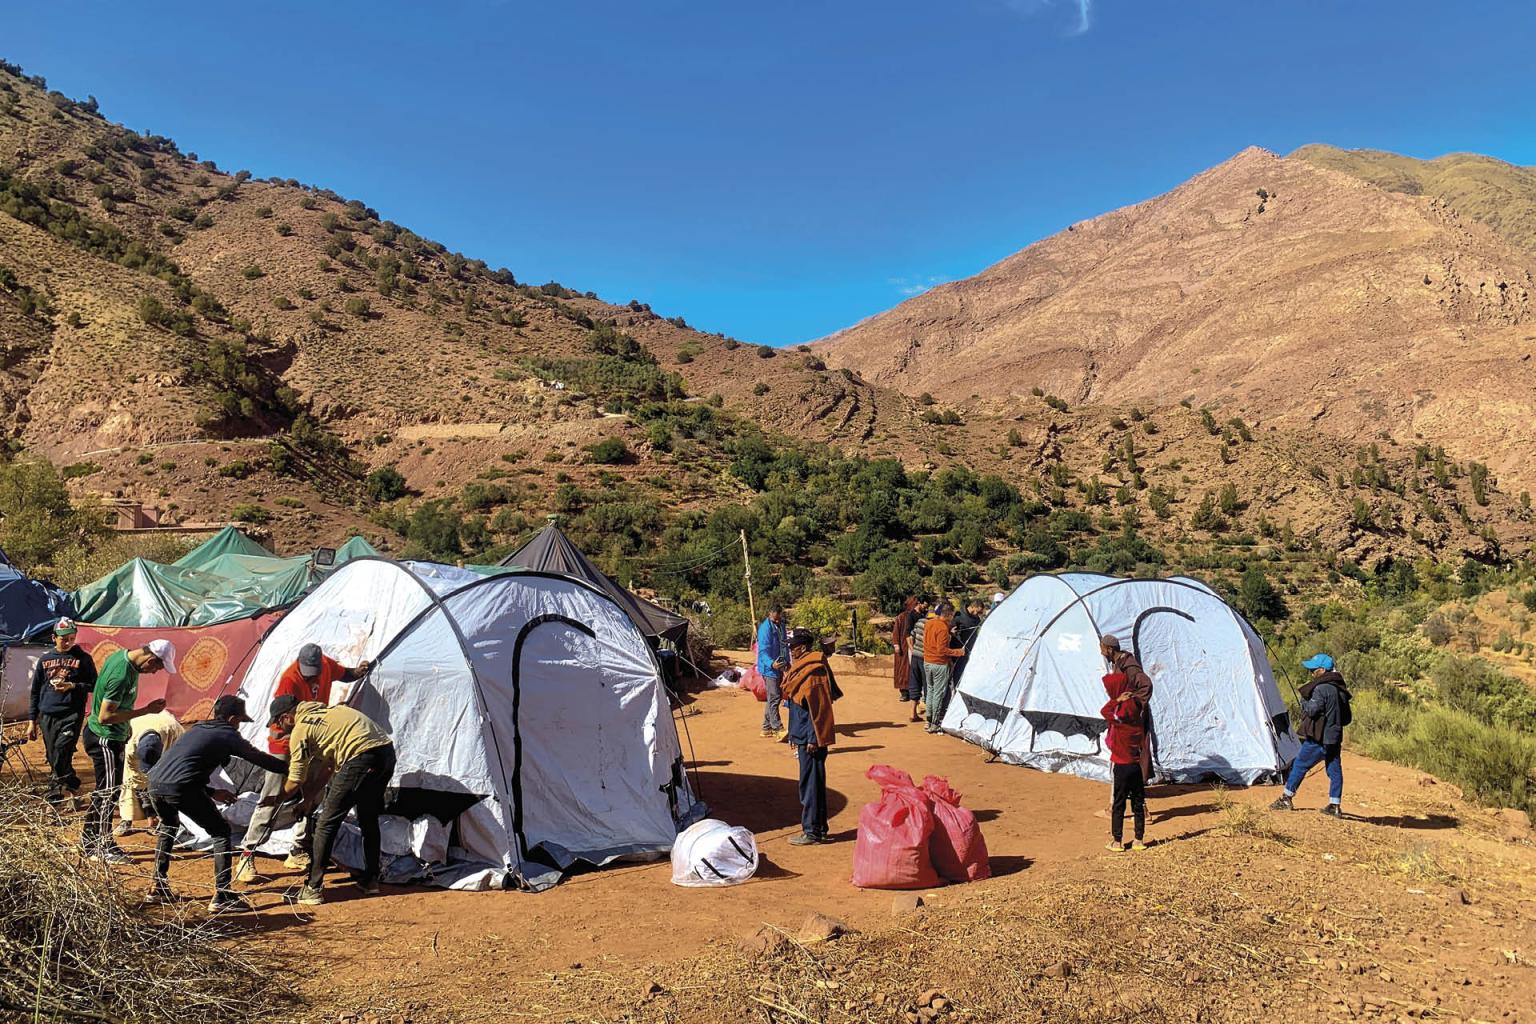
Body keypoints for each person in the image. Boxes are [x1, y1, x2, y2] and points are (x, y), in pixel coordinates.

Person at [235, 643, 371, 881]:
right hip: (286, 744)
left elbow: (344, 674)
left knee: (313, 796)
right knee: (273, 796)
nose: (312, 678)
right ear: (299, 664)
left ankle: (298, 849)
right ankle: (248, 854)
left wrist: (357, 672)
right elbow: (281, 724)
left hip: (313, 741)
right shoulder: (289, 679)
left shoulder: (326, 664)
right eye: (307, 673)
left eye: (315, 672)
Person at [145, 695, 286, 912]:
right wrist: (294, 770)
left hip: (154, 784)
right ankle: (222, 894)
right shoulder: (228, 735)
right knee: (221, 832)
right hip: (182, 788)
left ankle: (157, 886)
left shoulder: (197, 729)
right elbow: (259, 759)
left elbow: (181, 769)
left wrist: (212, 792)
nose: (239, 725)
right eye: (239, 720)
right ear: (231, 719)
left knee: (168, 827)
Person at [264, 695, 397, 905]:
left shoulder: (301, 728)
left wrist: (275, 799)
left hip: (359, 758)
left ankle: (312, 888)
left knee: (326, 823)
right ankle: (371, 881)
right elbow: (327, 768)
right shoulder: (333, 713)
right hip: (386, 754)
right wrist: (307, 801)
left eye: (278, 722)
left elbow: (295, 779)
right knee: (368, 818)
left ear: (287, 717)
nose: (279, 728)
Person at [82, 641, 173, 862]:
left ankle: (90, 840)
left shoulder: (122, 658)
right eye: (156, 668)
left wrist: (127, 724)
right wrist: (146, 710)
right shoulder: (122, 675)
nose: (153, 673)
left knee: (106, 791)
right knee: (108, 793)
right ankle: (100, 846)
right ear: (151, 660)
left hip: (113, 735)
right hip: (104, 737)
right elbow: (105, 716)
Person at [1271, 654, 1352, 817]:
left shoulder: (1321, 689)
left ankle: (1286, 798)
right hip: (1334, 739)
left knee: (1300, 765)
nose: (1311, 673)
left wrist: (1303, 702)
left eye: (1313, 670)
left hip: (1318, 738)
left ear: (1322, 670)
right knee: (1334, 770)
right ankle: (1334, 805)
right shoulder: (1341, 690)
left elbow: (1311, 710)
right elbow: (1347, 718)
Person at [27, 618, 95, 808]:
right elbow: (35, 692)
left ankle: (54, 799)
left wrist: (72, 685)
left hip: (71, 715)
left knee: (61, 750)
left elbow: (94, 685)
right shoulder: (45, 660)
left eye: (71, 639)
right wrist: (32, 721)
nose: (67, 642)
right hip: (47, 715)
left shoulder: (83, 659)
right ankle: (74, 786)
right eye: (63, 639)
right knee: (53, 757)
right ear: (54, 638)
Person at [780, 628, 836, 846]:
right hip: (803, 734)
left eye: (793, 647)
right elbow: (799, 704)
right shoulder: (802, 668)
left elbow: (820, 707)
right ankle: (819, 829)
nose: (791, 650)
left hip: (811, 739)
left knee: (810, 785)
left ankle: (811, 831)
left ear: (802, 648)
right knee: (815, 783)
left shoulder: (813, 671)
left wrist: (813, 738)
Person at [1100, 672, 1148, 851]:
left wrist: (1117, 701)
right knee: (1138, 802)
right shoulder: (1136, 721)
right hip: (1135, 767)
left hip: (1121, 766)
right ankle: (1139, 840)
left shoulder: (1119, 721)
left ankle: (1117, 841)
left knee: (1119, 804)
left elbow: (1104, 711)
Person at [118, 708, 184, 835]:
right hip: (142, 732)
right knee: (129, 781)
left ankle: (168, 818)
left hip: (168, 740)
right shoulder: (130, 748)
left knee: (172, 781)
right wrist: (149, 810)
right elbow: (138, 780)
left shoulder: (175, 732)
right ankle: (127, 819)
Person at [1100, 634, 1155, 782]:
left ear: (1110, 649)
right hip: (1123, 716)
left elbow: (1146, 685)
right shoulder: (1119, 663)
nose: (1102, 653)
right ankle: (1129, 786)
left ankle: (1137, 789)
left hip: (1132, 716)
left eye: (1103, 649)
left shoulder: (1128, 665)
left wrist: (1134, 704)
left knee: (1134, 750)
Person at [921, 602, 969, 733]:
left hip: (927, 662)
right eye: (952, 615)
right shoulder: (942, 628)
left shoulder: (929, 623)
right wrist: (959, 652)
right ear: (947, 614)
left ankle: (929, 720)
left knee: (930, 691)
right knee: (938, 693)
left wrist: (949, 631)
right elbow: (942, 650)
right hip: (939, 664)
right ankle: (935, 723)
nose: (953, 618)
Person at [756, 606, 787, 740]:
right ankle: (777, 728)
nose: (778, 616)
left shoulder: (781, 626)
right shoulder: (765, 628)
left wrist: (786, 662)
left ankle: (766, 728)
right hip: (769, 669)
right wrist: (771, 663)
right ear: (770, 613)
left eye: (779, 613)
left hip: (779, 665)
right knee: (774, 697)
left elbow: (785, 645)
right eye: (775, 613)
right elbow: (763, 651)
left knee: (774, 697)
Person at [905, 597, 932, 721]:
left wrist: (914, 651)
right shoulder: (929, 625)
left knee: (915, 683)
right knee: (927, 684)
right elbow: (907, 636)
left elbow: (911, 636)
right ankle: (929, 717)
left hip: (916, 654)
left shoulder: (919, 621)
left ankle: (913, 714)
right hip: (923, 656)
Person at [891, 596, 919, 704]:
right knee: (902, 670)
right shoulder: (901, 617)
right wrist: (896, 644)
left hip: (913, 646)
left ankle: (913, 692)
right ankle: (904, 692)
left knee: (912, 669)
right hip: (903, 647)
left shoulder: (916, 617)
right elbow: (895, 632)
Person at [951, 598, 985, 683]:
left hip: (968, 650)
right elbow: (950, 628)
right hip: (956, 649)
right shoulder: (959, 615)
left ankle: (957, 689)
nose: (978, 614)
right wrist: (952, 631)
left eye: (980, 613)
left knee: (961, 673)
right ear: (972, 606)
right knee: (953, 671)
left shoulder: (976, 618)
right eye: (977, 611)